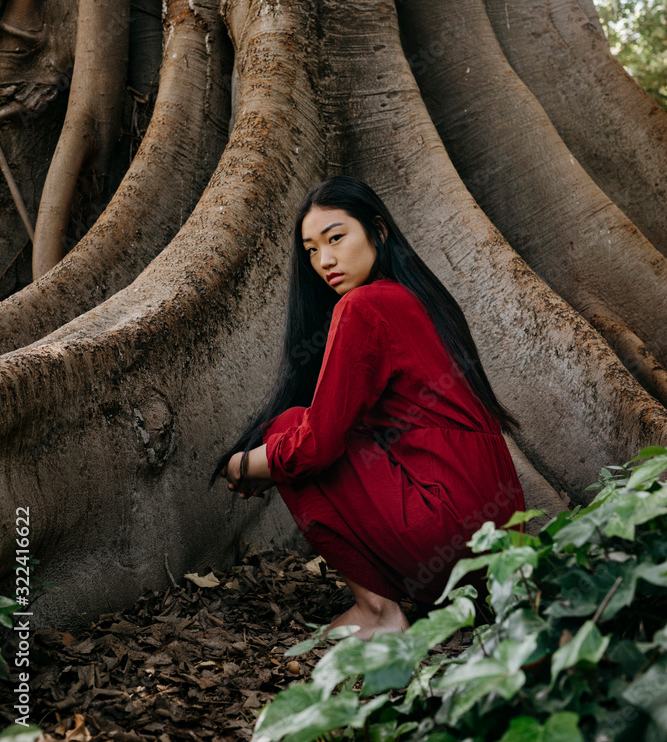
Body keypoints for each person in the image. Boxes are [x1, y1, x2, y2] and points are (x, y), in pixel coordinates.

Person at [211, 177, 525, 639]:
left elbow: (316, 446)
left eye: (336, 238)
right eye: (311, 250)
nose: (325, 261)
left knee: (289, 428)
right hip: (501, 543)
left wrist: (247, 465)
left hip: (447, 532)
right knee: (296, 442)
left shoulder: (363, 305)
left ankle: (379, 612)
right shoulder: (421, 297)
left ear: (377, 230)